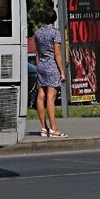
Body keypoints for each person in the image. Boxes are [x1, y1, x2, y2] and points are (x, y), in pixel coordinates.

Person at [34, 8, 67, 138]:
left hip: (41, 65)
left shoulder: (38, 33)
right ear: (54, 19)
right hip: (52, 66)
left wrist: (39, 68)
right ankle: (54, 129)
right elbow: (57, 54)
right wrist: (62, 71)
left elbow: (37, 52)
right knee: (51, 97)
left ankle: (43, 128)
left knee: (41, 96)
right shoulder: (55, 33)